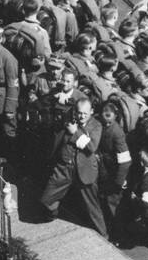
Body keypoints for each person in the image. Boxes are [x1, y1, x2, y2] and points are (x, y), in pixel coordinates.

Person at [40, 95, 107, 237]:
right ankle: (52, 214)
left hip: (85, 170)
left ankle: (104, 235)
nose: (82, 116)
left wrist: (75, 132)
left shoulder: (96, 126)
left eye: (85, 113)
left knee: (92, 207)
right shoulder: (69, 121)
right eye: (79, 112)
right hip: (65, 169)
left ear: (91, 112)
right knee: (47, 199)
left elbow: (91, 146)